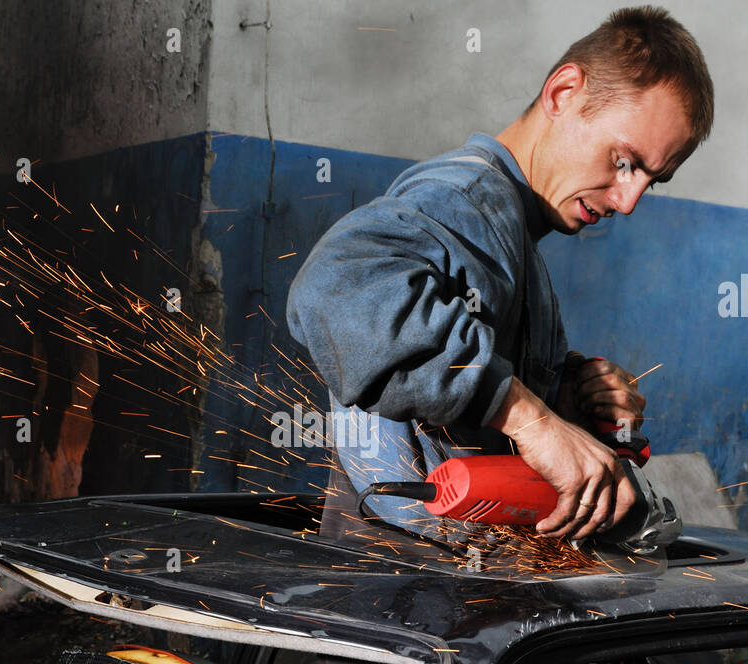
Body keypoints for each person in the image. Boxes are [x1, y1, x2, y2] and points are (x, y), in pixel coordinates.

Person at [286, 5, 713, 551]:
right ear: (563, 94)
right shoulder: (468, 201)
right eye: (625, 161)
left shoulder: (515, 235)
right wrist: (532, 421)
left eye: (652, 181)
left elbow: (463, 403)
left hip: (442, 589)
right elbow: (333, 288)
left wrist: (571, 396)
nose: (629, 201)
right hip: (398, 591)